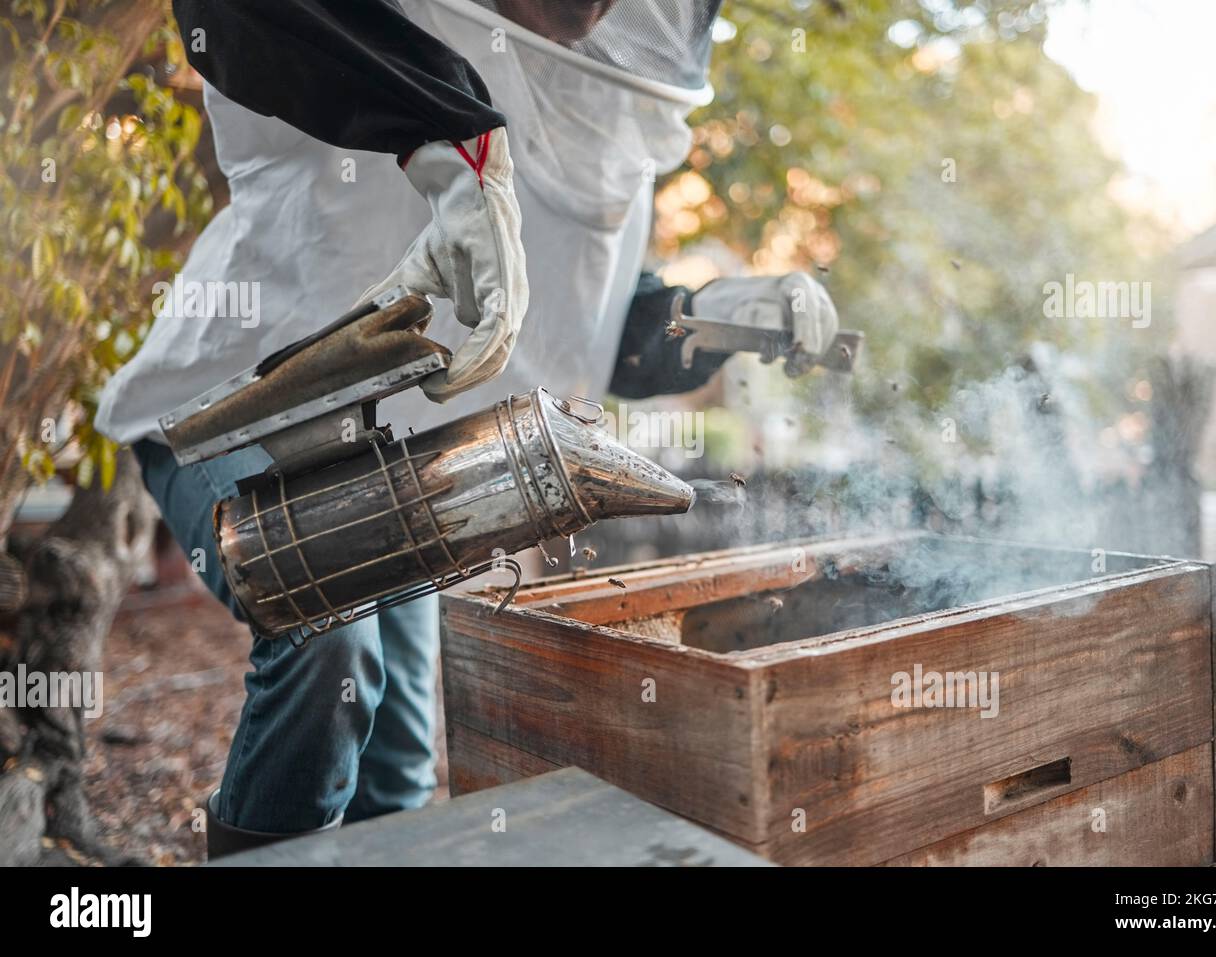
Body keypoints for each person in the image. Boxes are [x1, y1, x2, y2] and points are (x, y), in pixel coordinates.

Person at [95, 0, 838, 855]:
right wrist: (438, 140)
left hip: (391, 457)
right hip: (229, 413)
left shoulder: (601, 124)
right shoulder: (360, 26)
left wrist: (708, 317)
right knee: (329, 643)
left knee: (400, 756)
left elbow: (591, 323)